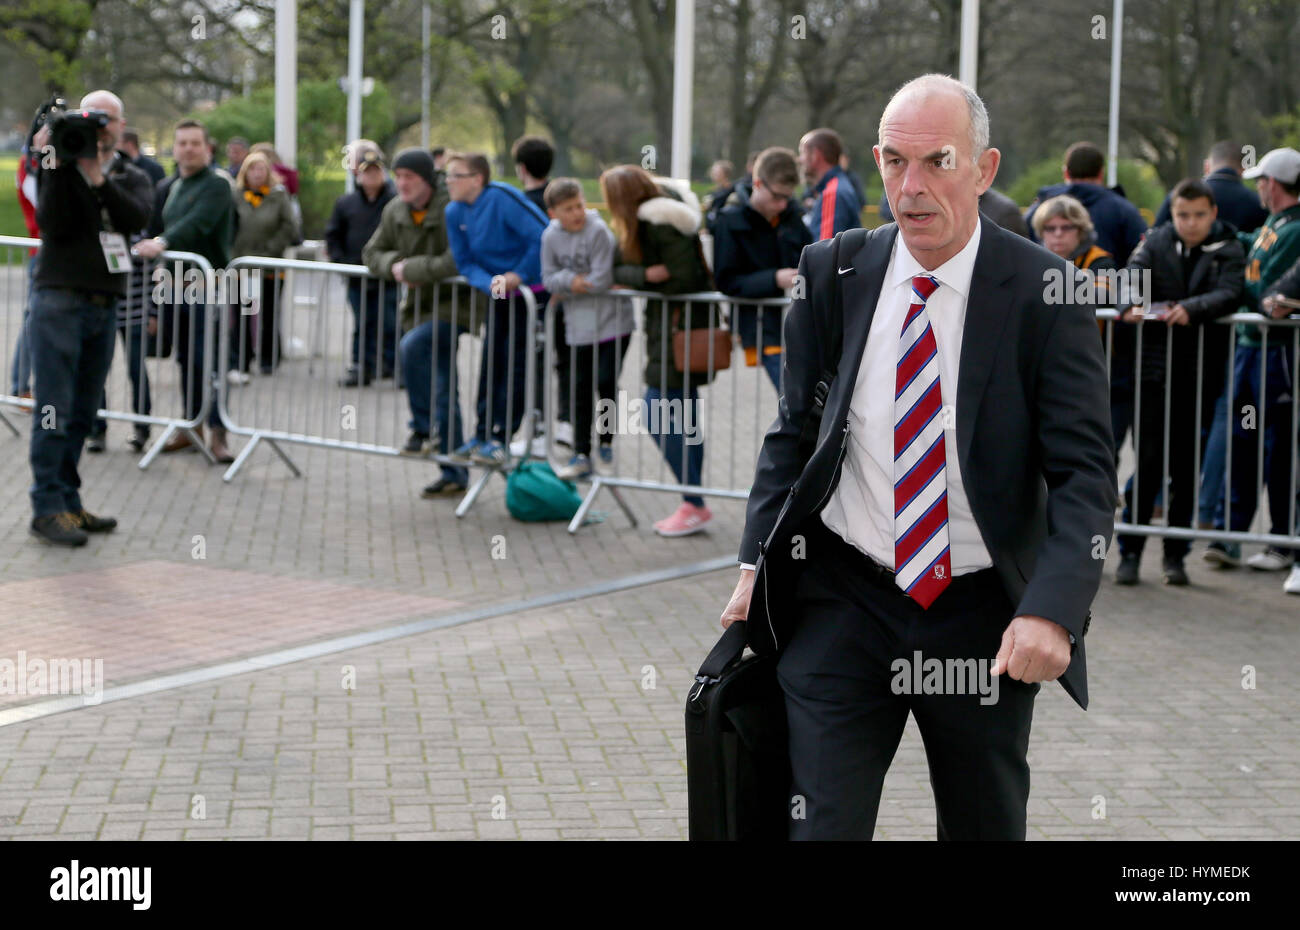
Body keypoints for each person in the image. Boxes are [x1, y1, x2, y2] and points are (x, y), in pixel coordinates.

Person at [722, 74, 1116, 840]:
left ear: (984, 168)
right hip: (843, 601)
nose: (912, 187)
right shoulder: (831, 272)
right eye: (896, 163)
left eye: (938, 161)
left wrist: (1052, 611)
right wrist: (752, 564)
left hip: (979, 617)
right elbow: (793, 435)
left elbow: (1084, 474)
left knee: (982, 823)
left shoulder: (1046, 292)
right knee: (820, 825)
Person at [26, 90, 152, 546]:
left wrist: (98, 177)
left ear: (120, 126)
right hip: (60, 300)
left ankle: (69, 502)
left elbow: (136, 217)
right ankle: (46, 507)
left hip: (104, 305)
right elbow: (52, 223)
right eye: (93, 118)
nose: (101, 127)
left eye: (109, 119)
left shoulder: (131, 175)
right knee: (53, 409)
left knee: (82, 412)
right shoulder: (58, 166)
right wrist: (54, 161)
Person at [1111, 178, 1245, 586]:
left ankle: (1176, 556)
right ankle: (1130, 553)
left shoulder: (1231, 248)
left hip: (1199, 374)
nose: (1190, 223)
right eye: (1183, 214)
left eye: (1199, 215)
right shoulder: (1156, 240)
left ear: (1213, 213)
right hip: (1151, 370)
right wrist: (1129, 301)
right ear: (1173, 213)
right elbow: (1131, 275)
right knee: (1147, 462)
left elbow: (1231, 292)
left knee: (1185, 469)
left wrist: (1192, 309)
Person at [601, 164, 717, 536]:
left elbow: (682, 277)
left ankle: (694, 501)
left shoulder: (658, 222)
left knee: (655, 412)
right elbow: (627, 269)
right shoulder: (662, 215)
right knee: (685, 418)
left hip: (678, 330)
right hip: (677, 329)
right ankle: (693, 500)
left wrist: (646, 276)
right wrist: (647, 275)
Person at [1204, 148, 1300, 593]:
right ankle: (1247, 533)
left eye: (1262, 180)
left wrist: (1257, 294)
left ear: (1275, 184)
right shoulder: (1272, 225)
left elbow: (1268, 285)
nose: (1258, 186)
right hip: (1251, 347)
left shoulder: (1296, 227)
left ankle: (1285, 537)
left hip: (1278, 351)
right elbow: (1250, 253)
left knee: (1281, 445)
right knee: (1247, 440)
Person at [363, 148, 466, 497]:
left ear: (427, 180)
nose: (402, 183)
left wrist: (414, 269)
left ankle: (423, 429)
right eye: (399, 176)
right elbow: (372, 253)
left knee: (414, 348)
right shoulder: (395, 209)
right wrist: (395, 263)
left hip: (456, 307)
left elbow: (460, 257)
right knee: (443, 385)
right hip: (420, 307)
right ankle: (453, 469)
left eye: (410, 177)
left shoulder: (451, 208)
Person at [135, 118, 236, 463]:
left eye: (195, 143)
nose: (188, 149)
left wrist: (163, 242)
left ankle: (218, 433)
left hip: (208, 287)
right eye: (182, 143)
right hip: (174, 287)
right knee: (186, 360)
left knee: (212, 363)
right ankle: (191, 427)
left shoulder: (219, 184)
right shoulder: (172, 185)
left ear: (208, 148)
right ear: (174, 148)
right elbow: (160, 224)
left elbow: (198, 223)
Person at [443, 152, 550, 467]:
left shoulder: (502, 197)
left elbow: (542, 236)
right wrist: (491, 282)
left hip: (529, 294)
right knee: (491, 361)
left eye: (455, 175)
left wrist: (518, 274)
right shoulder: (454, 211)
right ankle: (481, 433)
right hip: (498, 293)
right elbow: (464, 261)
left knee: (516, 365)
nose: (448, 182)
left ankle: (503, 436)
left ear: (477, 179)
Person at [540, 178, 634, 479]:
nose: (577, 213)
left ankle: (605, 442)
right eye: (569, 209)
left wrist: (570, 283)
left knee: (605, 381)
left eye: (579, 205)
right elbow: (547, 278)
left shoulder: (598, 232)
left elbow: (601, 278)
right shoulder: (549, 237)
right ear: (554, 213)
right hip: (577, 325)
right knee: (579, 387)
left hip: (613, 323)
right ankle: (581, 452)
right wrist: (572, 282)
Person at [711, 146, 813, 392]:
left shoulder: (791, 215)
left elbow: (812, 255)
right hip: (761, 327)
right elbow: (726, 281)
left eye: (786, 198)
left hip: (800, 325)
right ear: (757, 183)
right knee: (796, 399)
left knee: (805, 402)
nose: (781, 204)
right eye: (776, 197)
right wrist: (774, 279)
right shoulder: (729, 219)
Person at [88, 148, 161, 453]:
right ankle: (96, 429)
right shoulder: (96, 227)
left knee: (135, 368)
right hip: (101, 305)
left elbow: (155, 272)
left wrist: (154, 311)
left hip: (134, 311)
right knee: (97, 370)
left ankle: (142, 428)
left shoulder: (139, 229)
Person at [512, 134, 570, 450]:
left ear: (521, 168)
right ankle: (565, 425)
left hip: (534, 297)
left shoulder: (519, 206)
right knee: (564, 361)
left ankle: (537, 428)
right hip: (562, 294)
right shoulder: (561, 203)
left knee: (532, 363)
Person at [326, 141, 398, 387]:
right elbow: (333, 235)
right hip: (357, 274)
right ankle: (361, 367)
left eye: (376, 170)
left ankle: (393, 365)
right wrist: (341, 261)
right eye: (367, 171)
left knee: (389, 321)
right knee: (363, 322)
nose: (372, 176)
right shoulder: (346, 203)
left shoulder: (395, 202)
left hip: (386, 275)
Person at [230, 151, 301, 377]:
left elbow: (289, 227)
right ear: (245, 172)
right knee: (243, 313)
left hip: (270, 266)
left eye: (261, 169)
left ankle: (269, 359)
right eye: (253, 169)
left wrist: (270, 251)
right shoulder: (236, 195)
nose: (257, 174)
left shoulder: (279, 196)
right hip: (244, 268)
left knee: (269, 313)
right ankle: (240, 359)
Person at [1024, 141, 1147, 264]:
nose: (1059, 234)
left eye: (1067, 227)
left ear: (1066, 173)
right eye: (1050, 228)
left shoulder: (1039, 210)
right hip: (1109, 279)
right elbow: (1142, 257)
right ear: (1101, 173)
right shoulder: (1124, 210)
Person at [1154, 140, 1269, 234]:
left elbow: (1154, 236)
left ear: (1207, 166)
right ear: (1244, 169)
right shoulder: (1258, 203)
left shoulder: (1180, 196)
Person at [797, 127, 863, 240]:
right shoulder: (836, 186)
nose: (800, 160)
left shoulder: (833, 192)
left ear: (815, 156)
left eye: (802, 153)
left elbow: (823, 252)